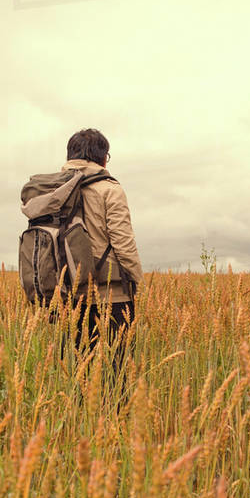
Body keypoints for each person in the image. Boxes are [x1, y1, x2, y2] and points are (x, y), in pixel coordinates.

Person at [61, 128, 143, 389]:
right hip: (111, 296)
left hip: (69, 295)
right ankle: (113, 414)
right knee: (116, 375)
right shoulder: (110, 189)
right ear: (103, 158)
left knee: (79, 374)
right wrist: (137, 283)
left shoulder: (54, 190)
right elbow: (123, 243)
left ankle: (80, 412)